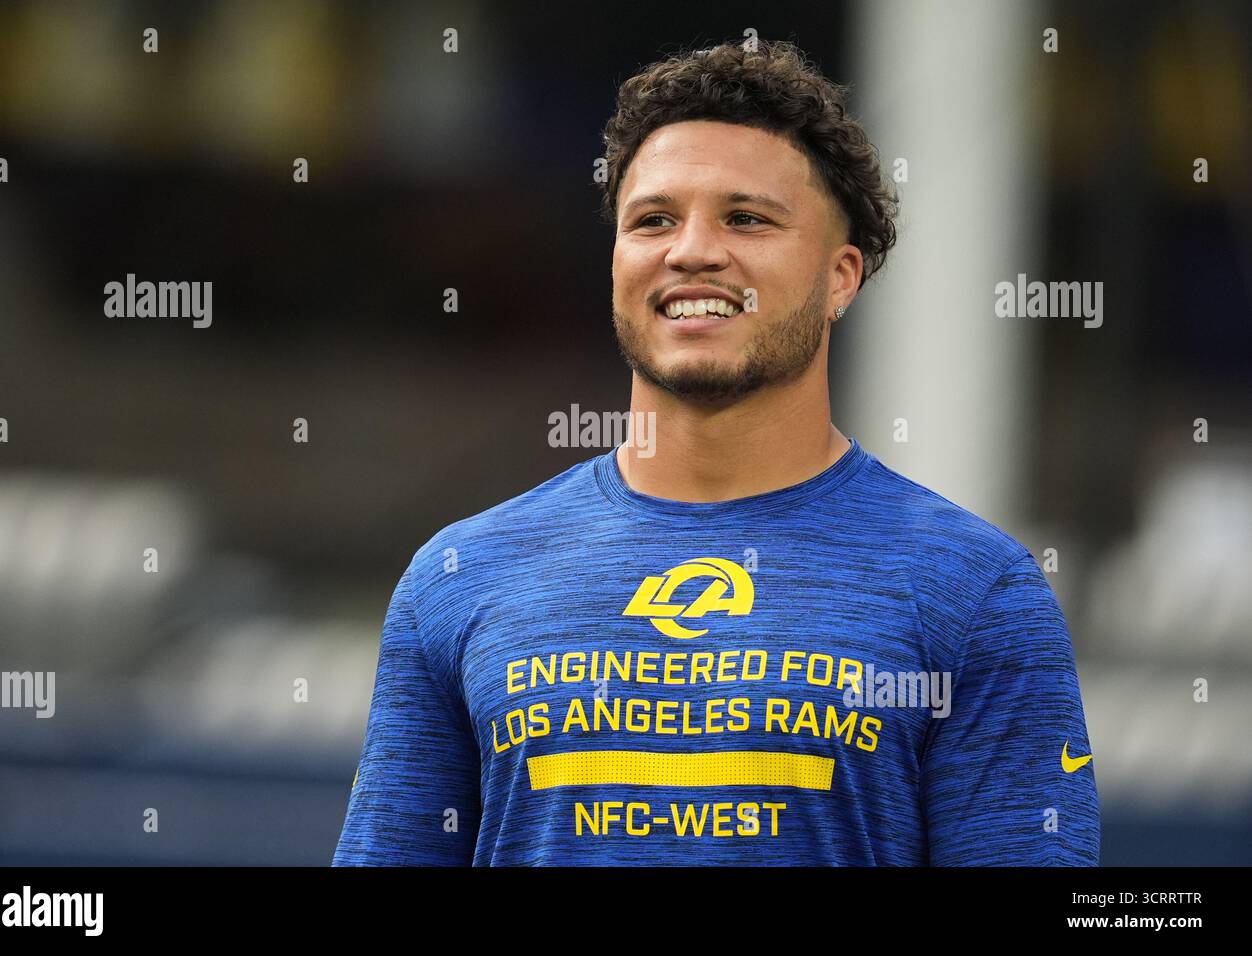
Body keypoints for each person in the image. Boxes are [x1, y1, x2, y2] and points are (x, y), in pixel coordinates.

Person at [333, 39, 1099, 866]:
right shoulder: (458, 579)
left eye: (747, 218)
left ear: (841, 278)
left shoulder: (974, 590)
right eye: (653, 220)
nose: (691, 250)